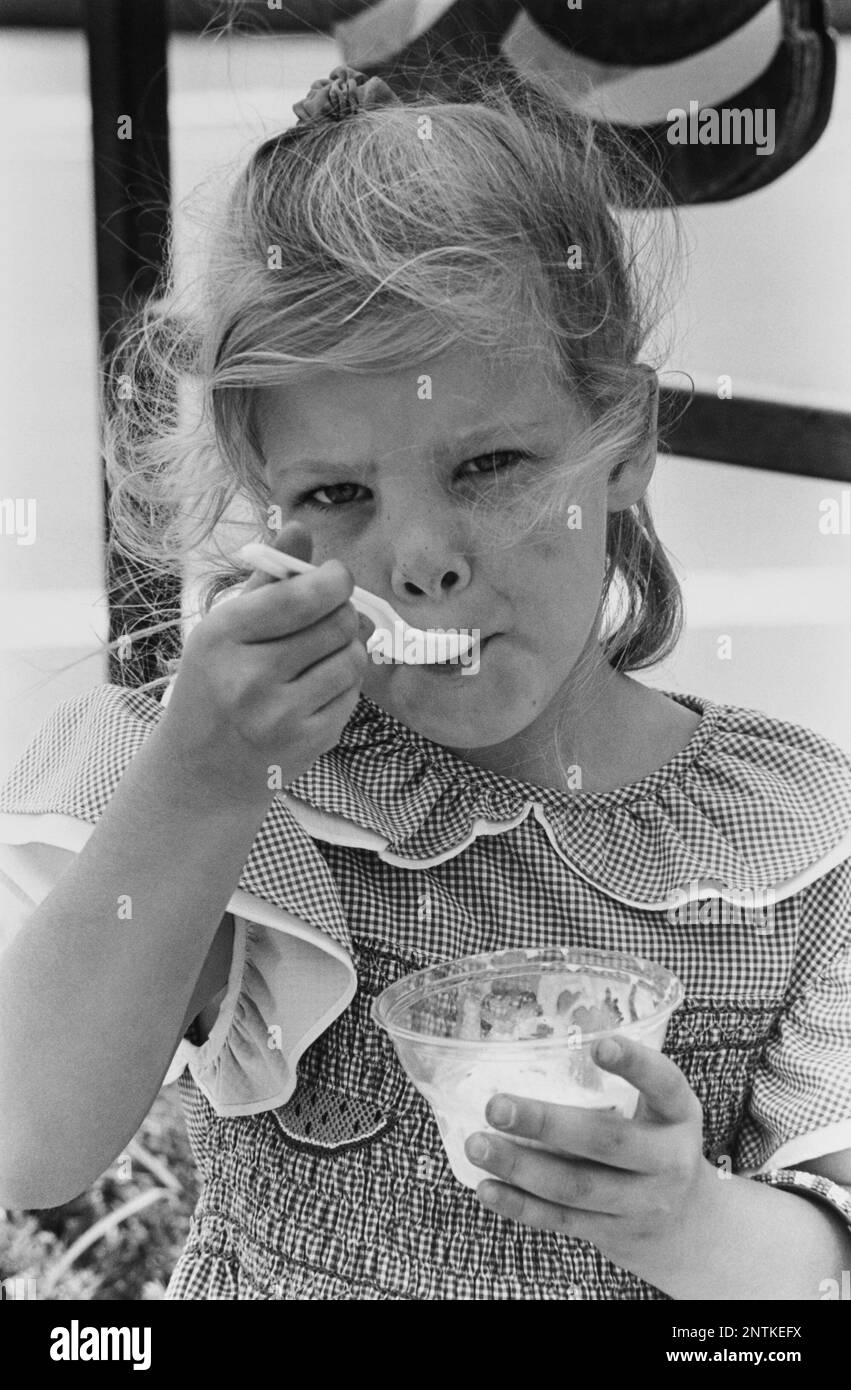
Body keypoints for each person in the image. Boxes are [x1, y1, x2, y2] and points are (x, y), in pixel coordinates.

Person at [0, 63, 850, 1302]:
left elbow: (818, 1255)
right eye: (339, 494)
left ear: (623, 440)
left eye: (489, 463)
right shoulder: (243, 790)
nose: (420, 562)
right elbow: (32, 1140)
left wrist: (676, 1215)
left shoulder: (801, 842)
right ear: (268, 509)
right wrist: (201, 775)